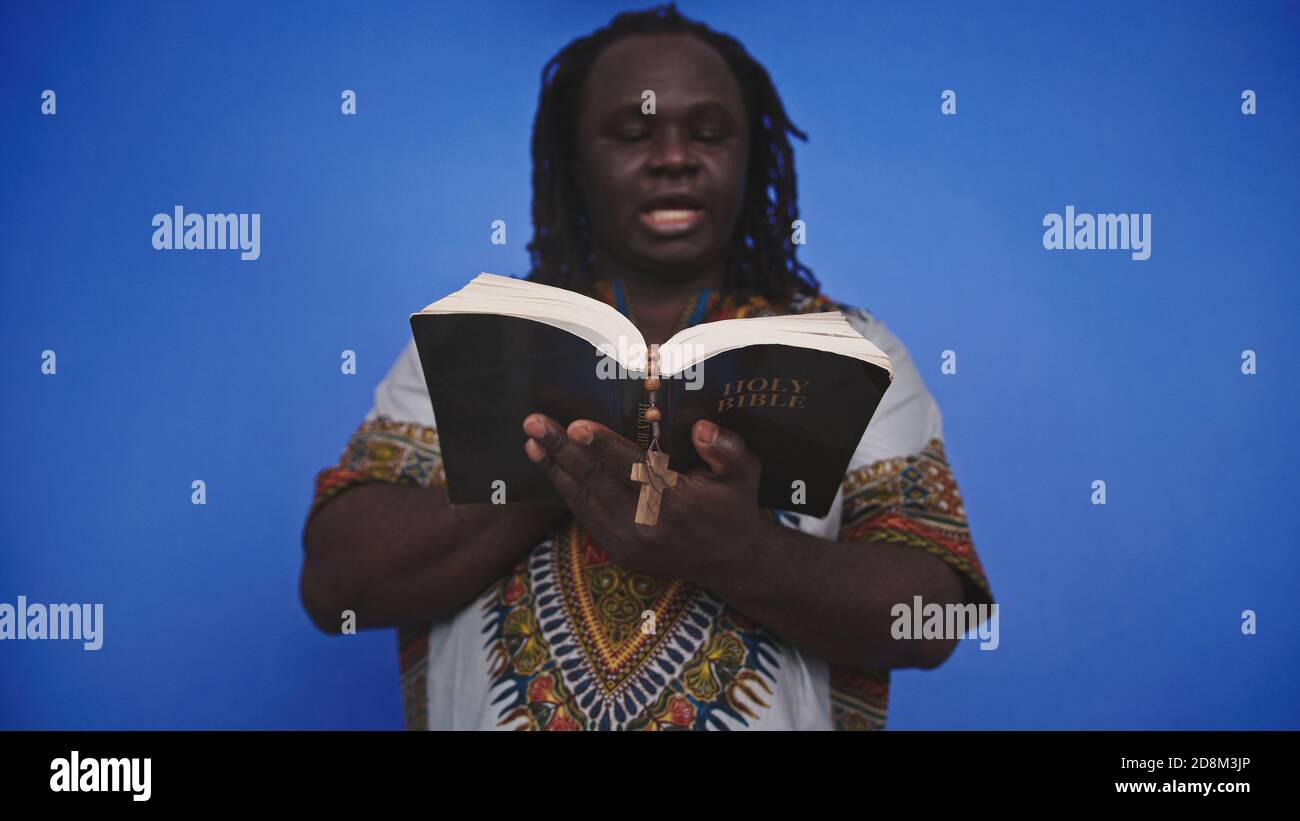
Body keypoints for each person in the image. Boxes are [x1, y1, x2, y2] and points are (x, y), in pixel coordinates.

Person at [300, 3, 993, 730]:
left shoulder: (850, 349)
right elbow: (334, 584)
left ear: (751, 155)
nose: (672, 157)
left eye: (710, 133)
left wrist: (744, 553)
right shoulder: (477, 342)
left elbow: (933, 616)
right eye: (633, 133)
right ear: (575, 159)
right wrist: (562, 468)